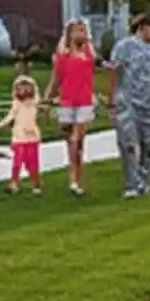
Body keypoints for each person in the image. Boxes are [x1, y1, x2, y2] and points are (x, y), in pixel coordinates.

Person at [108, 15, 150, 199]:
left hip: (149, 104)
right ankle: (131, 184)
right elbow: (114, 72)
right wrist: (111, 101)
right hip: (126, 102)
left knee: (149, 144)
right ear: (141, 27)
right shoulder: (124, 46)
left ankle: (143, 181)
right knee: (129, 143)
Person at [47, 19, 96, 196]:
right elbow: (56, 79)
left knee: (77, 138)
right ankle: (75, 176)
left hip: (84, 102)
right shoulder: (63, 56)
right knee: (72, 143)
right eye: (78, 31)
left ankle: (76, 178)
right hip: (67, 101)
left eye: (83, 31)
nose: (81, 34)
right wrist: (47, 98)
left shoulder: (89, 53)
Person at [0, 74, 43, 195]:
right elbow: (9, 117)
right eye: (20, 88)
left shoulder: (34, 103)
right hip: (19, 137)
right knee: (17, 162)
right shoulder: (16, 104)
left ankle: (36, 185)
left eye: (27, 88)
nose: (24, 91)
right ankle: (13, 184)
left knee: (33, 163)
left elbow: (40, 105)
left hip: (32, 137)